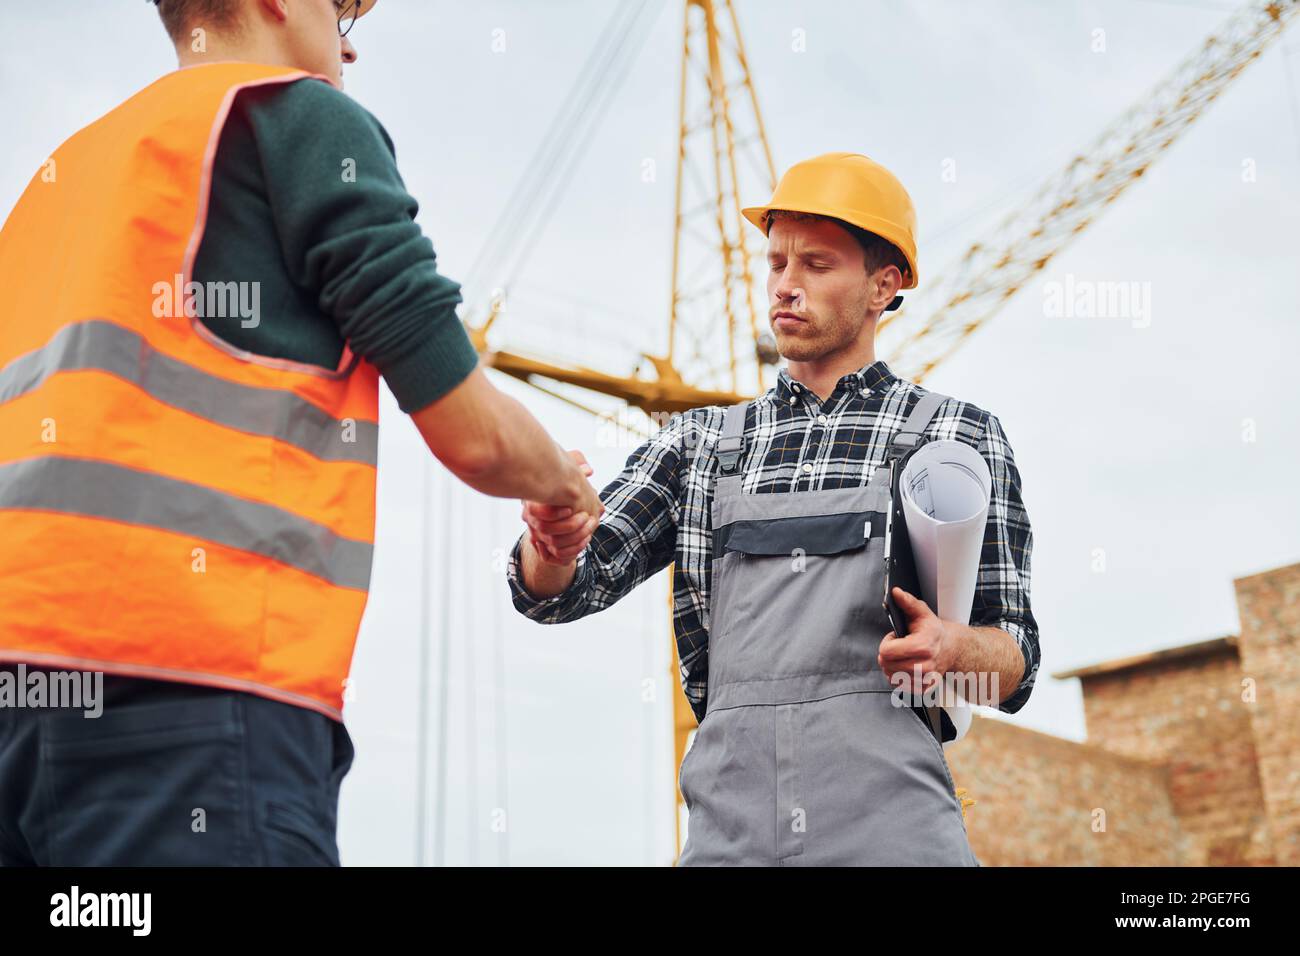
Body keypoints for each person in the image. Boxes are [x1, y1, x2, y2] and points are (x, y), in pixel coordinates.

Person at [0, 0, 601, 866]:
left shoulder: (67, 170)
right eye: (342, 6)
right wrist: (565, 491)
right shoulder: (298, 120)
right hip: (192, 696)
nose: (350, 39)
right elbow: (471, 429)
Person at [509, 152, 1040, 865]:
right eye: (777, 262)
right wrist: (551, 540)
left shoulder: (953, 437)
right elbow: (562, 591)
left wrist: (954, 650)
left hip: (894, 835)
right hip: (731, 837)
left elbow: (1014, 664)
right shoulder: (700, 444)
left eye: (817, 265)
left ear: (885, 285)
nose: (786, 285)